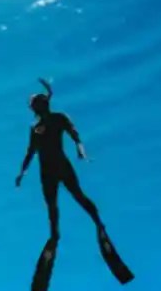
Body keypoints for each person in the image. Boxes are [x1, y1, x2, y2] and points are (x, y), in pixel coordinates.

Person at [15, 78, 107, 243]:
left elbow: (74, 135)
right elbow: (30, 152)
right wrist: (22, 172)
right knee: (53, 204)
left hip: (59, 165)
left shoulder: (58, 118)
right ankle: (55, 235)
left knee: (75, 196)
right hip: (48, 169)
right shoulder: (36, 128)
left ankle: (97, 223)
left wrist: (81, 150)